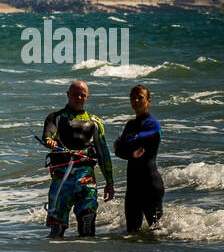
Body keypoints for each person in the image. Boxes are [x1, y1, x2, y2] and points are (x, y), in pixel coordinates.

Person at [41, 80, 114, 238]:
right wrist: (49, 141)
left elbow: (103, 153)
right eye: (75, 94)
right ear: (68, 95)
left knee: (87, 224)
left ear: (87, 97)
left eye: (83, 95)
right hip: (62, 179)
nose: (79, 98)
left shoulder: (95, 122)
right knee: (57, 229)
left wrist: (110, 182)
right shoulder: (56, 117)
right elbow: (48, 135)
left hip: (86, 180)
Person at [113, 84, 164, 232]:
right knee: (132, 235)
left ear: (148, 101)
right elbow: (119, 151)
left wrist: (122, 145)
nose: (136, 100)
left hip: (150, 185)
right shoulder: (130, 124)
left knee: (157, 232)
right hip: (133, 188)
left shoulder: (153, 124)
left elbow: (129, 144)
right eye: (133, 98)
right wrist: (127, 151)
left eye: (140, 97)